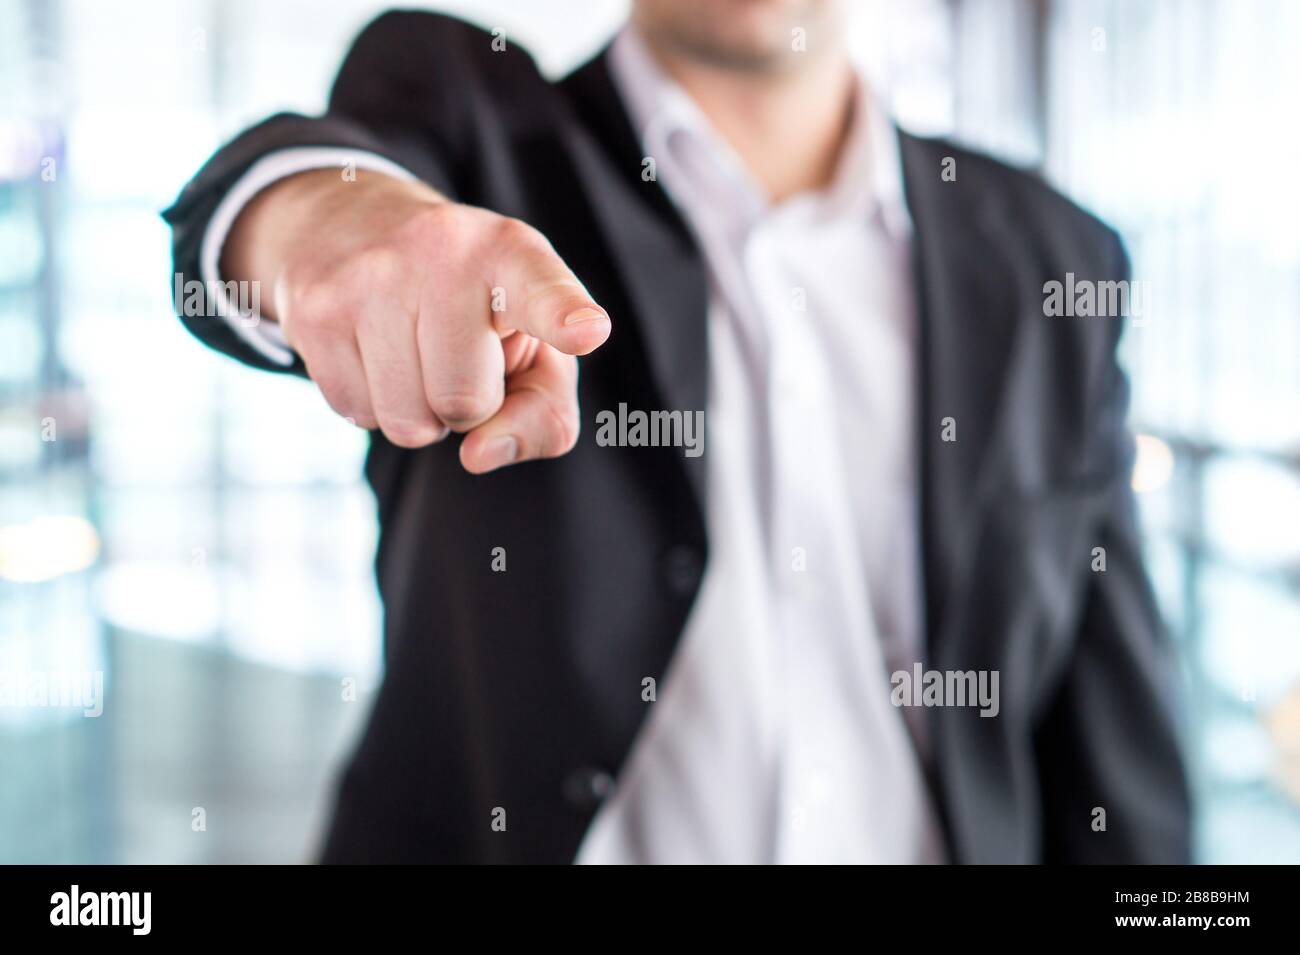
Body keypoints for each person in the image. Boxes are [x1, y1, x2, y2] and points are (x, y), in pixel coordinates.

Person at [164, 0, 1191, 864]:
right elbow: (288, 193)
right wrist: (334, 233)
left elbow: (1113, 760)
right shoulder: (476, 131)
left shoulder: (1053, 255)